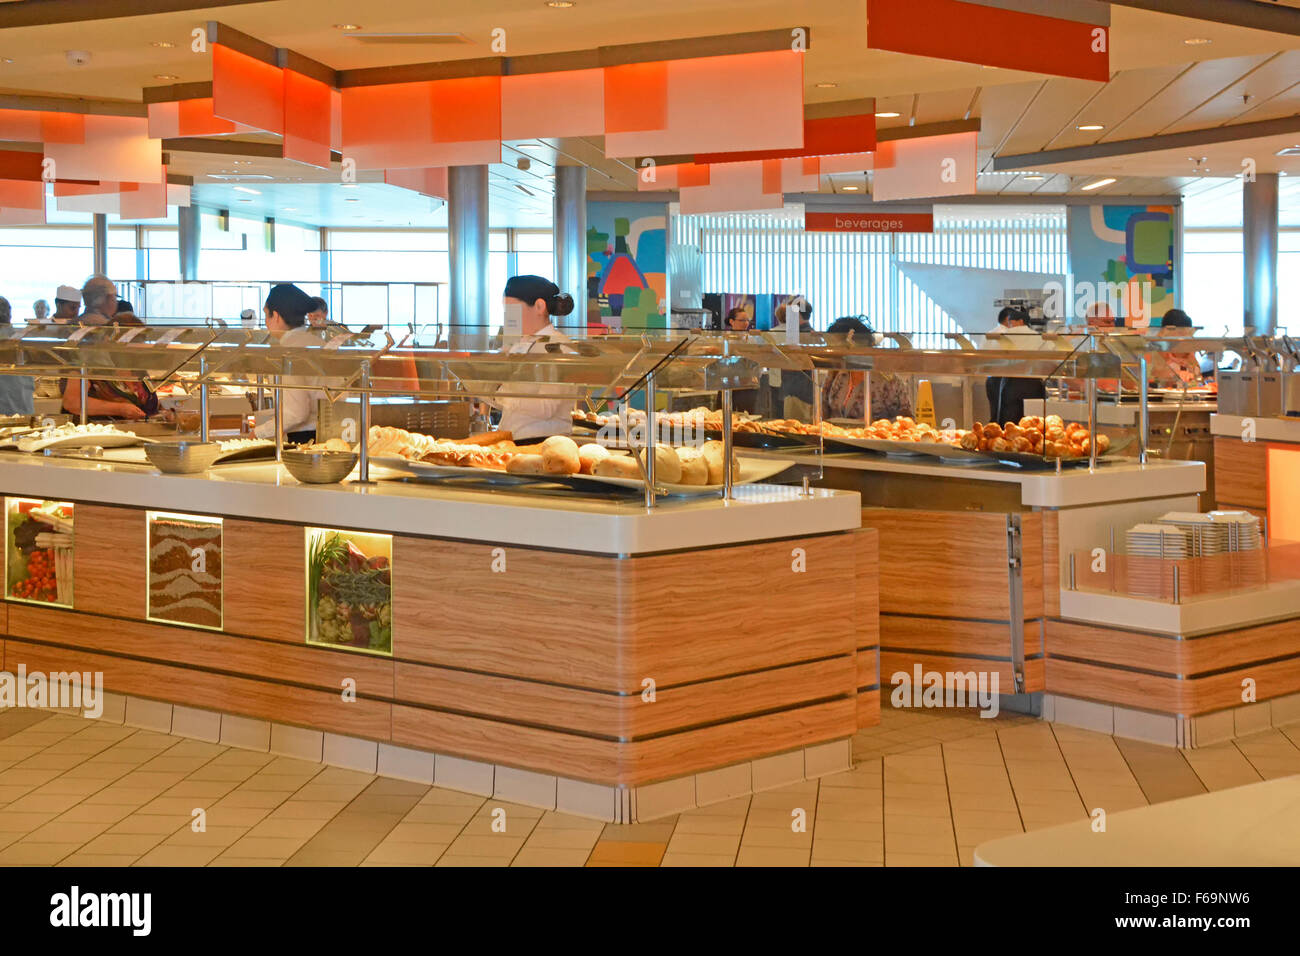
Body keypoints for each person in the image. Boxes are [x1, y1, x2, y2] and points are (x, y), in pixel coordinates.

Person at [493, 275, 576, 440]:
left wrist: (497, 392)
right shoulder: (520, 344)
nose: (509, 318)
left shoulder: (559, 346)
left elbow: (546, 407)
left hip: (544, 442)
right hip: (511, 440)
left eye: (513, 310)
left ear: (539, 306)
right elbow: (507, 402)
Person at [254, 283, 327, 443]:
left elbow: (296, 412)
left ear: (277, 316)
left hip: (306, 438)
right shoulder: (315, 342)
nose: (266, 322)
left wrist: (259, 432)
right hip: (330, 430)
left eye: (267, 315)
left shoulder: (287, 350)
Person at [985, 307, 1045, 424]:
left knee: (1005, 422)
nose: (1009, 325)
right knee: (1031, 422)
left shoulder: (999, 336)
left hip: (1004, 382)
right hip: (1032, 384)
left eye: (1011, 322)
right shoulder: (1038, 337)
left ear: (1020, 321)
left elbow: (987, 359)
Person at [0, 299, 33, 415]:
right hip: (22, 410)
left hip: (8, 410)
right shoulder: (19, 337)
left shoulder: (13, 337)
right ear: (9, 315)